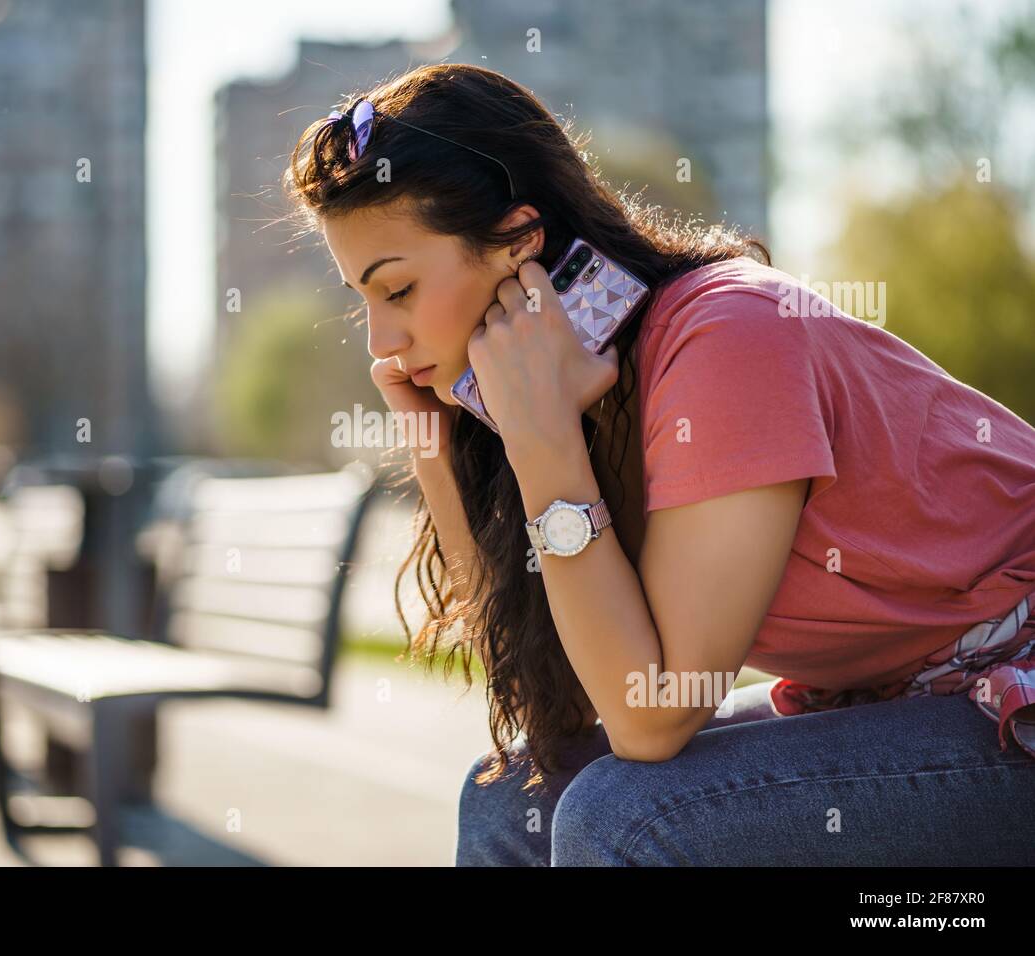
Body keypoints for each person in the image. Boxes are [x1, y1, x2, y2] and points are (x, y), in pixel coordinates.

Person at [283, 63, 1035, 865]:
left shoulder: (730, 338)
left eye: (395, 290)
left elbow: (651, 718)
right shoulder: (573, 399)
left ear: (518, 244)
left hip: (1012, 699)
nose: (379, 343)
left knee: (629, 817)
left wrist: (545, 447)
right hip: (901, 701)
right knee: (511, 796)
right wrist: (436, 442)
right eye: (361, 301)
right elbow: (563, 700)